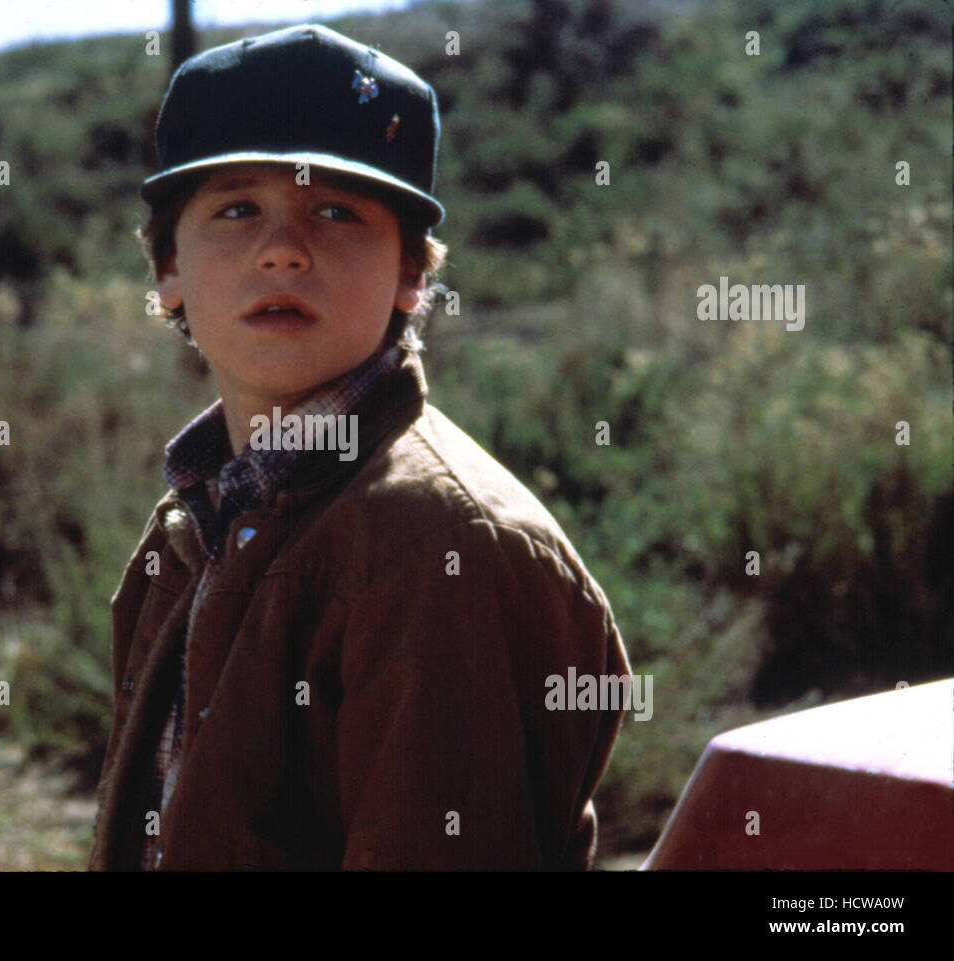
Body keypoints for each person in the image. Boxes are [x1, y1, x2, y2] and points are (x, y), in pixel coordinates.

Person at [88, 22, 631, 871]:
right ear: (167, 270)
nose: (283, 250)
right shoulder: (194, 518)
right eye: (237, 209)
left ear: (412, 273)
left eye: (338, 211)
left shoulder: (438, 544)